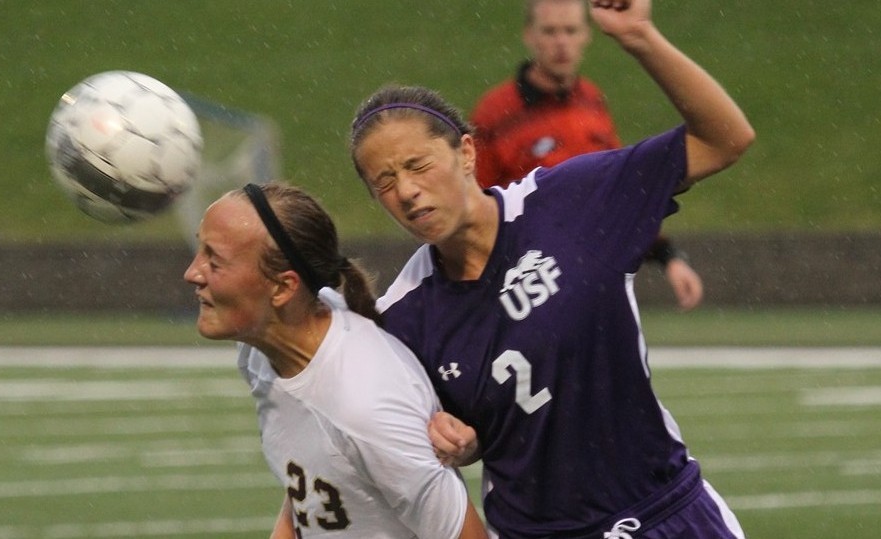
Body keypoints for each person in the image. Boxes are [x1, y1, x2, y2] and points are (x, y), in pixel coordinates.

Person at [348, 1, 755, 537]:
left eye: (418, 165)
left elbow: (725, 138)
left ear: (467, 152)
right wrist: (456, 439)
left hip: (669, 512)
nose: (405, 191)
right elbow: (453, 437)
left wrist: (639, 37)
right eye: (383, 181)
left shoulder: (572, 199)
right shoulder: (403, 317)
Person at [183, 182, 488, 538]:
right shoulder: (260, 351)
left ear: (282, 288)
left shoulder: (365, 405)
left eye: (213, 260)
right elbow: (312, 477)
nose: (193, 272)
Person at [471, 0, 703, 311]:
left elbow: (621, 190)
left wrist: (667, 256)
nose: (561, 42)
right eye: (550, 32)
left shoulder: (592, 100)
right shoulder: (495, 112)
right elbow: (473, 206)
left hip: (595, 280)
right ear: (530, 35)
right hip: (529, 286)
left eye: (570, 31)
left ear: (586, 35)